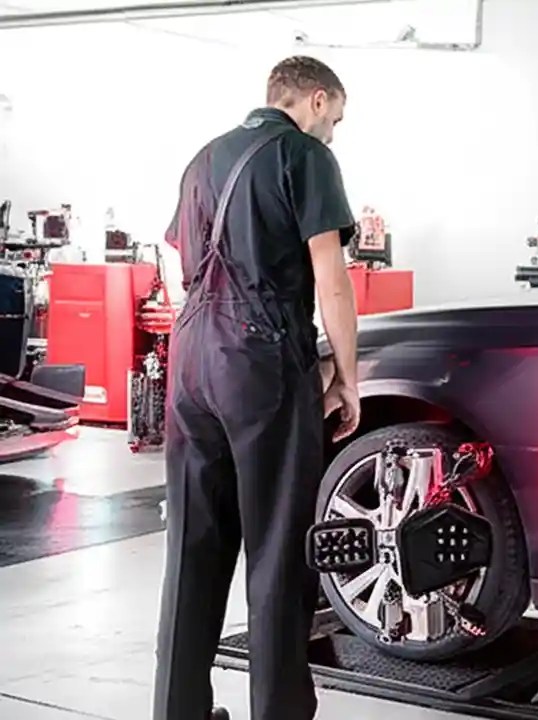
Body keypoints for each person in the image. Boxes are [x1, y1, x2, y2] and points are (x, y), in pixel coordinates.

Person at [153, 56, 362, 720]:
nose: (336, 132)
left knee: (192, 548)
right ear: (318, 100)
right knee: (275, 549)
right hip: (260, 360)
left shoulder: (203, 158)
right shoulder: (303, 154)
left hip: (189, 359)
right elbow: (330, 276)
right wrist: (347, 377)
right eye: (337, 117)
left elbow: (175, 261)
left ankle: (177, 710)